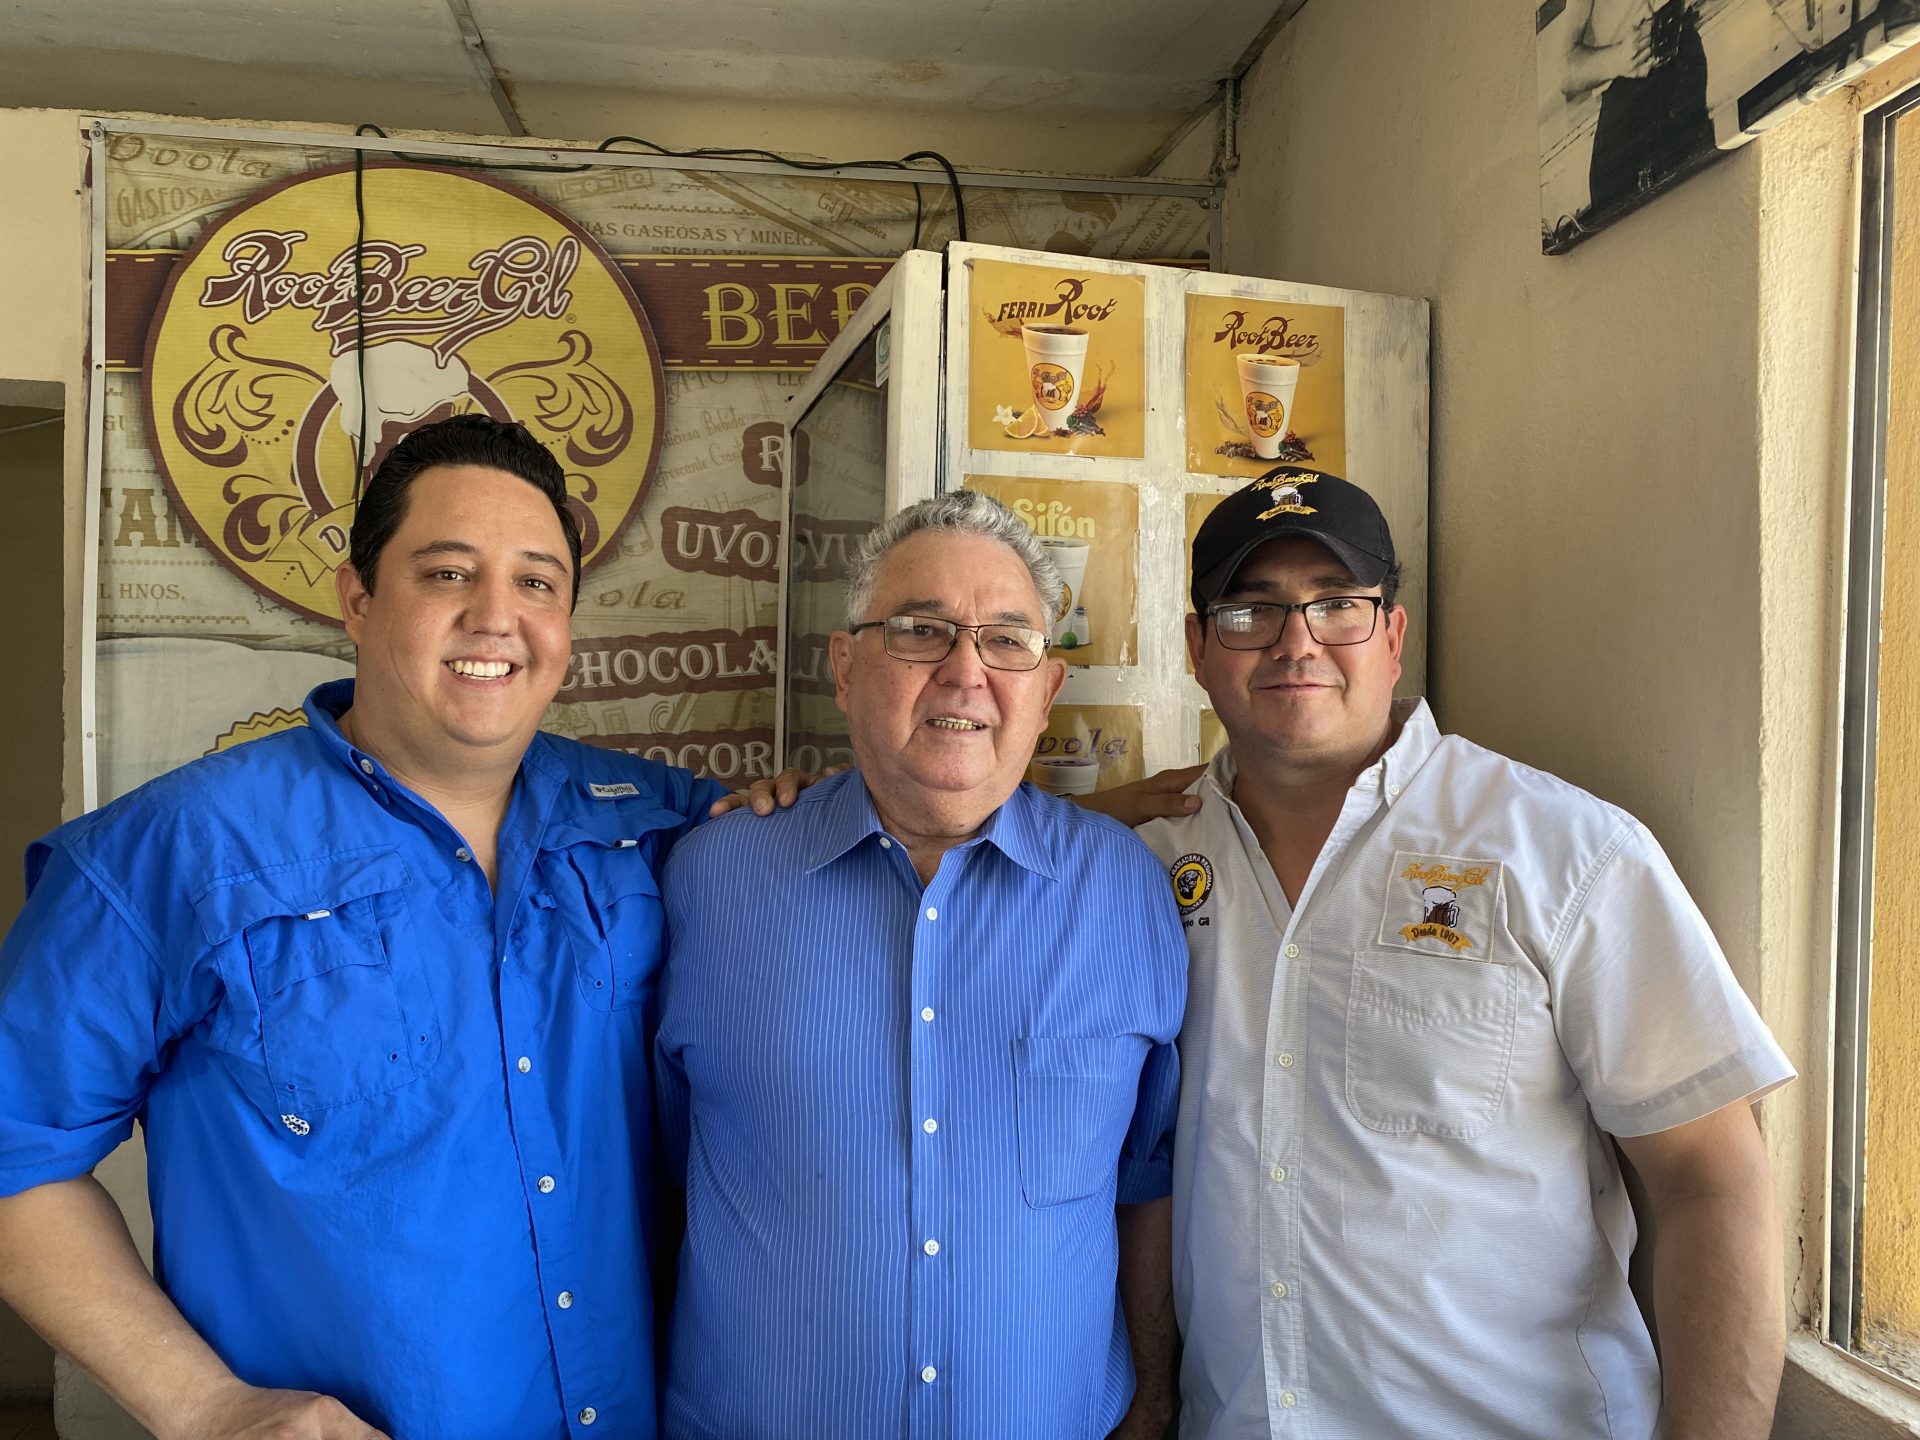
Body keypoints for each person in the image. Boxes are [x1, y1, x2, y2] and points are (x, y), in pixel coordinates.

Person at [0, 414, 804, 1440]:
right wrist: (205, 1407)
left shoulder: (657, 825)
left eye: (537, 582)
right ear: (359, 597)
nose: (496, 617)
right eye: (446, 573)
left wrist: (807, 813)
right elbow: (15, 1153)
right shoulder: (171, 852)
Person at [1137, 466, 1794, 1439]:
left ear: (1393, 636)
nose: (1296, 642)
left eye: (1338, 607)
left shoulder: (1563, 851)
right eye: (1250, 612)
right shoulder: (1147, 862)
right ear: (1197, 647)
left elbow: (1712, 1179)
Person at [654, 490, 1187, 1440]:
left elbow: (1144, 1178)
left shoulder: (1128, 891)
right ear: (845, 666)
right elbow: (656, 1174)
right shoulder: (708, 881)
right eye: (920, 631)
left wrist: (1152, 1402)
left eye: (1007, 639)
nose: (964, 672)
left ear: (1048, 687)